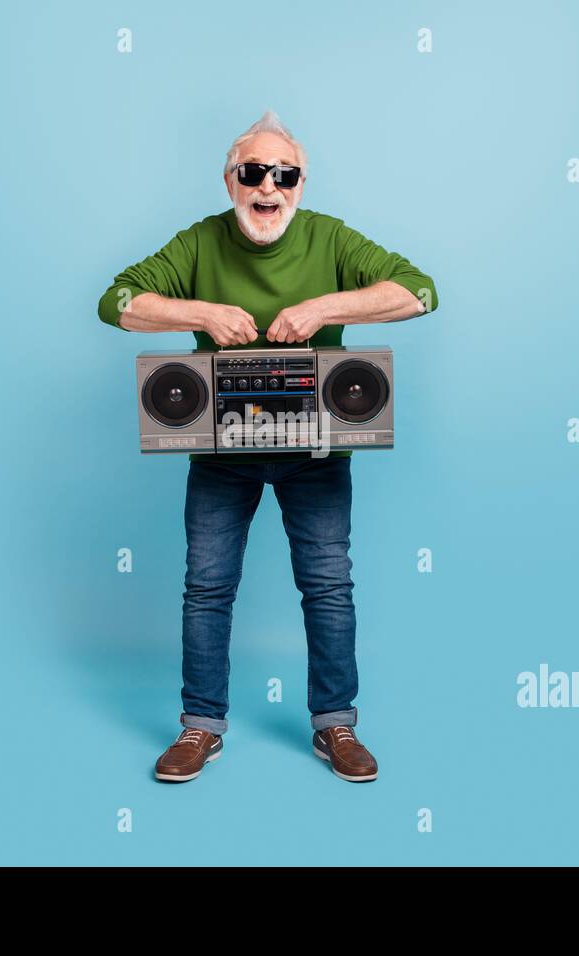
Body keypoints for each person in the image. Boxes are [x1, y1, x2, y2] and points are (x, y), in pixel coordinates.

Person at [97, 111, 439, 783]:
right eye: (254, 173)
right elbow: (116, 301)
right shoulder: (200, 242)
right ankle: (201, 728)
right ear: (230, 181)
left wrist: (326, 308)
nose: (269, 187)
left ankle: (334, 724)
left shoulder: (329, 238)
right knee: (207, 587)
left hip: (317, 450)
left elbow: (420, 292)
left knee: (328, 585)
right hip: (220, 453)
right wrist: (200, 312)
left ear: (301, 185)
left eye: (285, 176)